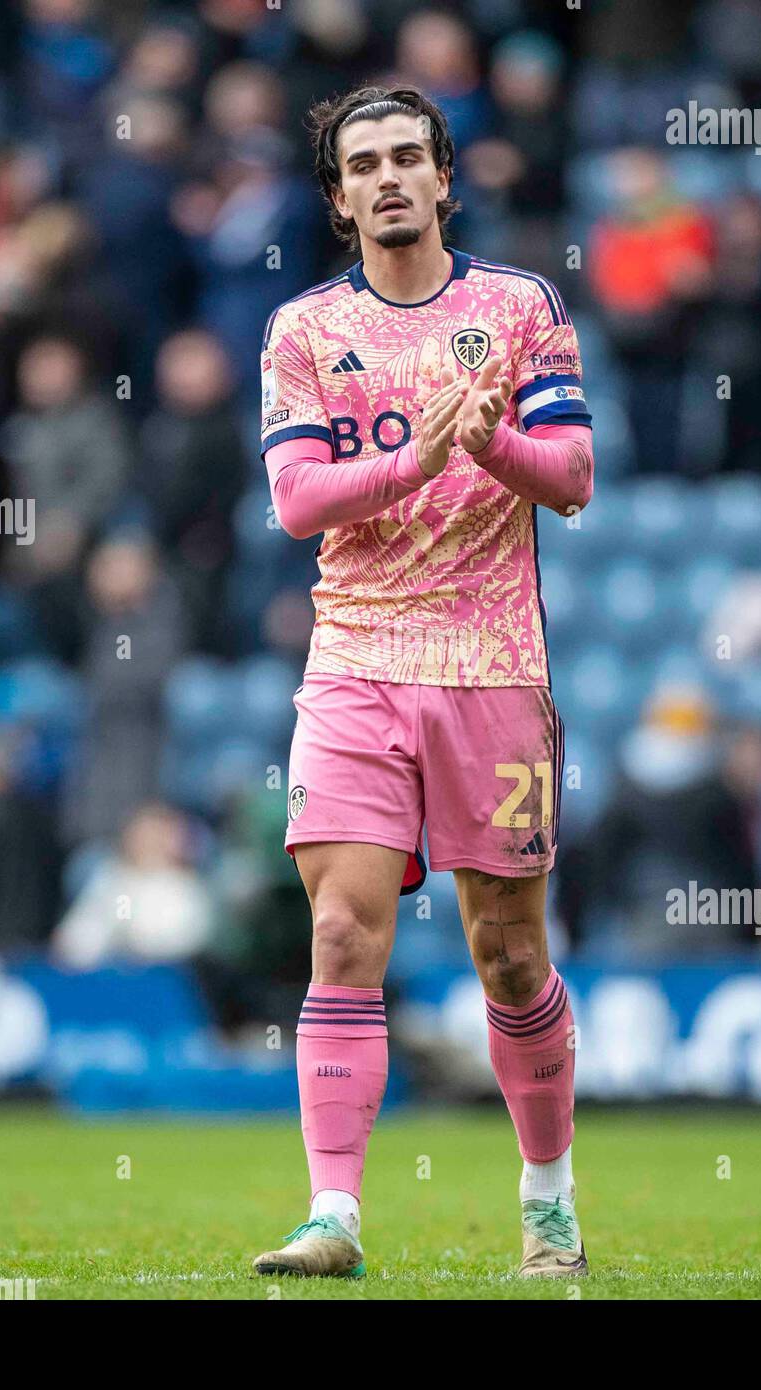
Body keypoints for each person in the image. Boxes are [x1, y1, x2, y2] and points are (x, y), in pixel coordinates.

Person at [251, 84, 593, 1281]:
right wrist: (422, 450)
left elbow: (572, 477)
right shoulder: (301, 331)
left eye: (409, 157)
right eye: (364, 164)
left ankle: (546, 1199)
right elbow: (298, 503)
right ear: (339, 197)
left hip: (494, 668)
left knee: (507, 956)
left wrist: (487, 439)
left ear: (446, 177)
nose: (389, 177)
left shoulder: (519, 308)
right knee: (343, 930)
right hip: (355, 664)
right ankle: (332, 1214)